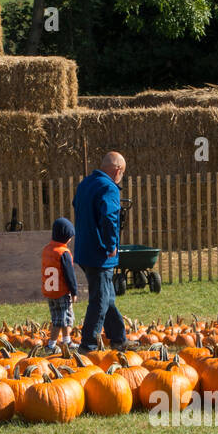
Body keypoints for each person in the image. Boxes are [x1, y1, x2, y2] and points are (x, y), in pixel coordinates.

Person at [73, 150, 129, 353]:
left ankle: (118, 339)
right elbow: (109, 217)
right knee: (100, 299)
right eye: (122, 173)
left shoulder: (85, 184)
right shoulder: (109, 187)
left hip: (84, 250)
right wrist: (111, 244)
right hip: (100, 252)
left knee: (107, 295)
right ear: (117, 170)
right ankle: (88, 345)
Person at [42, 217, 80, 352]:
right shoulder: (63, 253)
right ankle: (51, 345)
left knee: (58, 317)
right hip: (62, 292)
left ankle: (66, 341)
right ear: (65, 236)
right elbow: (69, 274)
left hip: (50, 292)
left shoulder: (47, 250)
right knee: (63, 319)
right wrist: (74, 291)